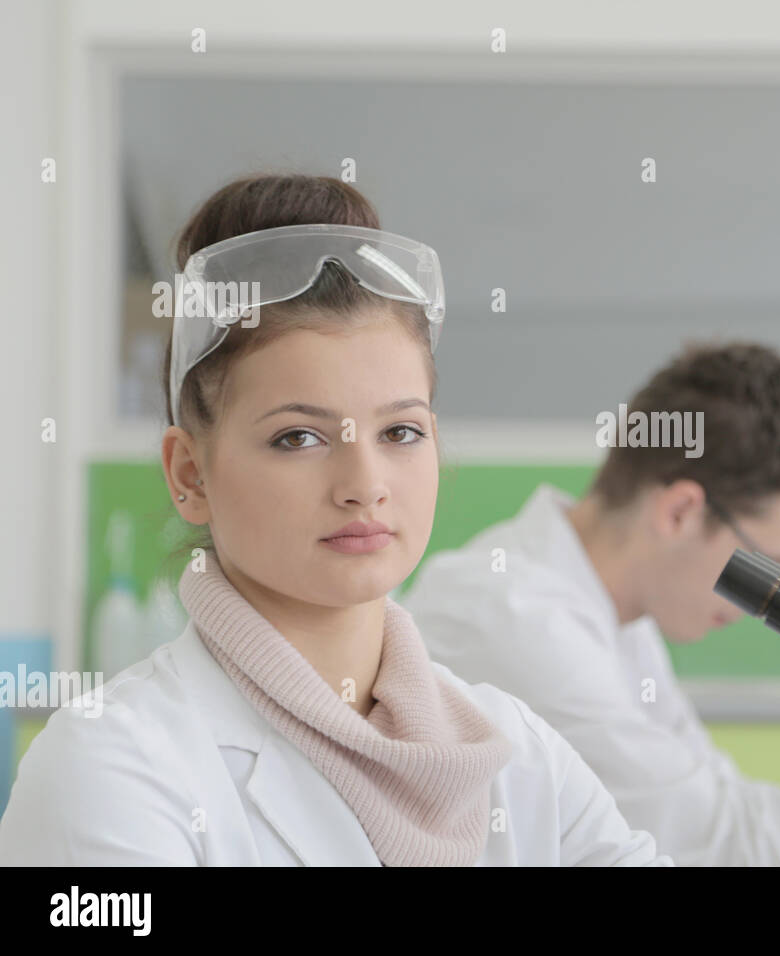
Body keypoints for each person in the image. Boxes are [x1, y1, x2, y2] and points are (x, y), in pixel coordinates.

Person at [0, 174, 669, 866]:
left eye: (401, 432)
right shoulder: (109, 769)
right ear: (189, 476)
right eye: (299, 437)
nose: (365, 486)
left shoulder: (521, 756)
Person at [405, 344, 780, 866]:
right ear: (679, 511)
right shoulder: (515, 619)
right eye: (768, 566)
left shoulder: (621, 620)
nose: (763, 606)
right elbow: (734, 854)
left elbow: (727, 805)